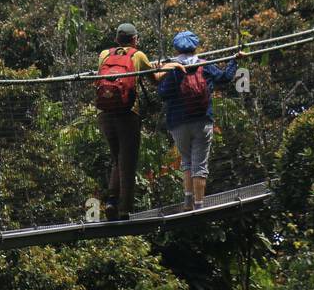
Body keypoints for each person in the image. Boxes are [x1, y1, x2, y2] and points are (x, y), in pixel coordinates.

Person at [155, 31, 245, 210]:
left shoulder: (172, 68)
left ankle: (188, 203)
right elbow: (225, 78)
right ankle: (199, 205)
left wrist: (159, 72)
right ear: (196, 47)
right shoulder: (205, 65)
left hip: (178, 123)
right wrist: (234, 60)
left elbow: (163, 94)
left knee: (187, 161)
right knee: (200, 163)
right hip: (202, 121)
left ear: (175, 48)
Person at [94, 22, 163, 221]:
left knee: (116, 158)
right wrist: (166, 67)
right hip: (128, 113)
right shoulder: (138, 55)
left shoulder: (104, 55)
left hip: (104, 112)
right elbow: (155, 80)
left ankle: (111, 202)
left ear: (117, 39)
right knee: (128, 161)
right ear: (134, 40)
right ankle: (124, 210)